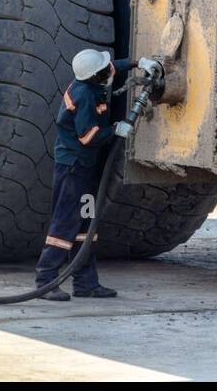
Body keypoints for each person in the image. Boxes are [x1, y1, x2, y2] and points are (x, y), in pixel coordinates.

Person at [35, 48, 141, 300]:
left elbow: (112, 67)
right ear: (95, 76)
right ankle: (45, 280)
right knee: (65, 222)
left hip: (85, 168)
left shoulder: (92, 79)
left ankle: (85, 283)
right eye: (104, 70)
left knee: (85, 225)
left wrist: (138, 63)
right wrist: (115, 129)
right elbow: (87, 136)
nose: (109, 71)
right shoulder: (84, 95)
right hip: (73, 168)